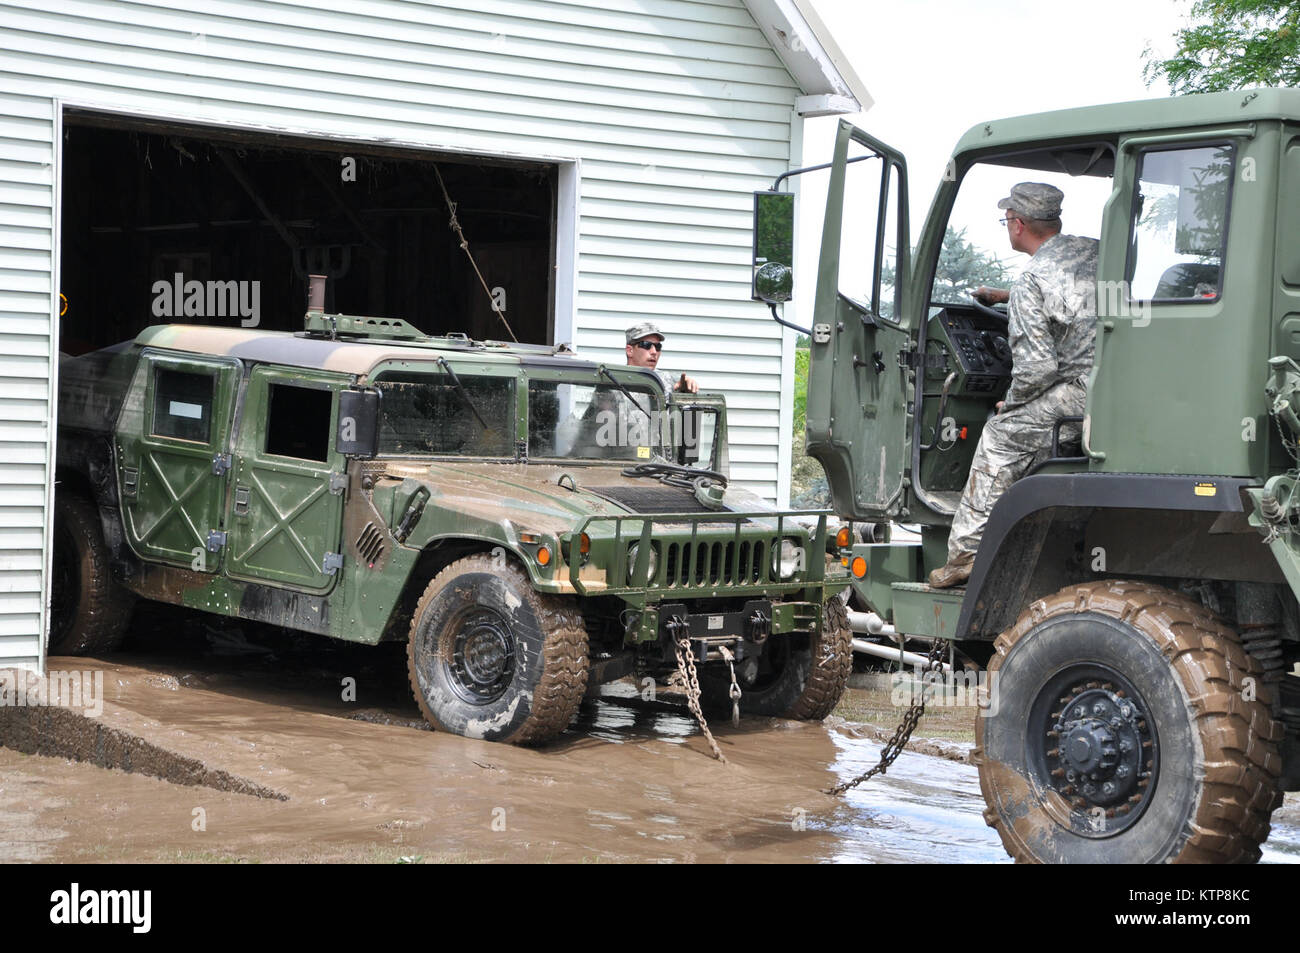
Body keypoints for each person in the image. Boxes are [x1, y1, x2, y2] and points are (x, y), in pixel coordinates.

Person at [928, 183, 1099, 589]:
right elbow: (1074, 298)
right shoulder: (1095, 251)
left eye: (1006, 220)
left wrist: (1013, 403)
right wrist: (1005, 295)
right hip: (1116, 381)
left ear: (1017, 224)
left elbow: (1038, 368)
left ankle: (964, 555)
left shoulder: (1031, 281)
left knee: (1000, 435)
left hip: (1080, 394)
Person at [625, 322, 698, 394]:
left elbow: (682, 384)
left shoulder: (667, 381)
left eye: (658, 346)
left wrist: (685, 389)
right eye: (646, 345)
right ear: (630, 350)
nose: (654, 352)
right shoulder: (616, 380)